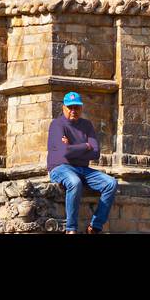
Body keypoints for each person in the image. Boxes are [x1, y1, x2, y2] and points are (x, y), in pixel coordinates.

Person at [47, 92, 117, 234]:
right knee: (74, 182)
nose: (73, 111)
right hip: (60, 168)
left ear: (81, 108)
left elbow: (96, 153)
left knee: (111, 183)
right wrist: (85, 146)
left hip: (83, 168)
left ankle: (95, 226)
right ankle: (71, 229)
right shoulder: (57, 125)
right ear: (63, 108)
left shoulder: (86, 125)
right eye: (70, 107)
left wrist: (71, 147)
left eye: (77, 107)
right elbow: (64, 153)